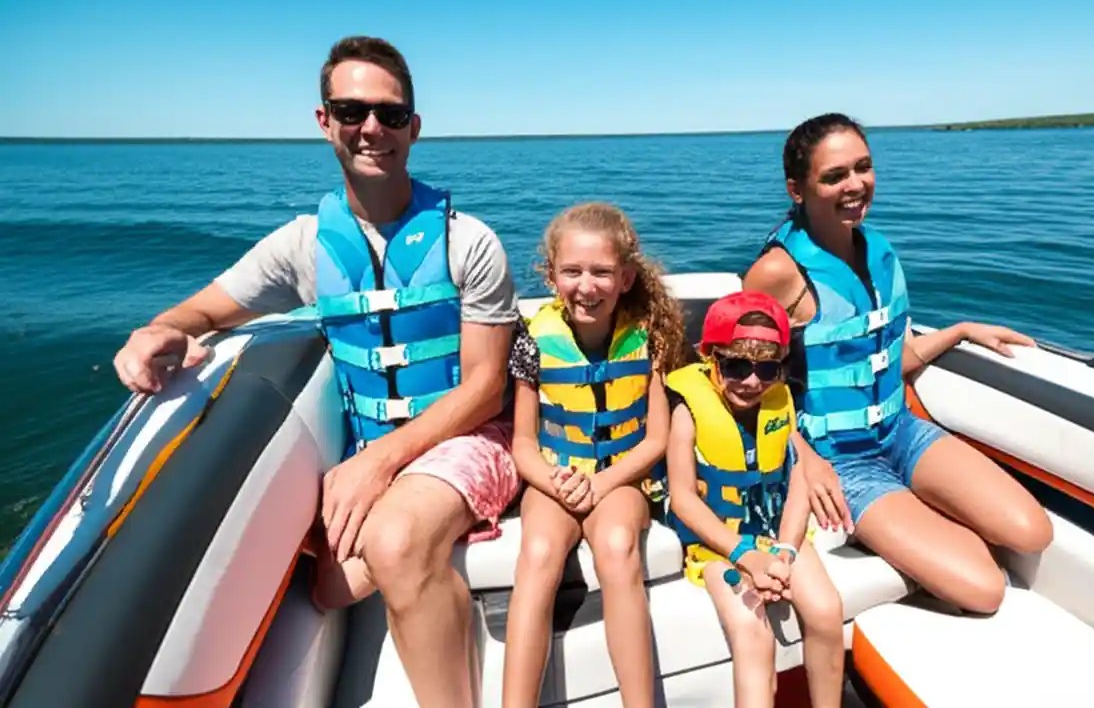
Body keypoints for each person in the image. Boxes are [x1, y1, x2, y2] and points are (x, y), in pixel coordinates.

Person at [111, 36, 520, 707]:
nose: (371, 129)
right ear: (324, 120)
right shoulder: (302, 244)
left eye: (390, 115)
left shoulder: (467, 241)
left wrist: (377, 464)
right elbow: (206, 308)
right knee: (328, 586)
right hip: (380, 447)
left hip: (473, 439)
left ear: (414, 128)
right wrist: (161, 332)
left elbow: (483, 389)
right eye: (352, 109)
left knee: (393, 541)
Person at [742, 112, 1054, 615]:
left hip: (899, 433)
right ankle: (894, 525)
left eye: (862, 168)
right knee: (985, 588)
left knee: (1031, 532)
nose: (855, 184)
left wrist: (959, 330)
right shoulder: (777, 272)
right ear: (797, 190)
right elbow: (733, 389)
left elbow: (890, 361)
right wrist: (805, 458)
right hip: (836, 462)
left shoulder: (880, 251)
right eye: (834, 175)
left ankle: (911, 521)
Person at [500, 202, 683, 707]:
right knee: (537, 555)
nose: (587, 285)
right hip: (554, 477)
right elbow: (521, 443)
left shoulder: (649, 339)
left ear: (625, 277)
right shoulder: (533, 340)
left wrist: (602, 484)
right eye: (573, 272)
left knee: (619, 546)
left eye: (602, 272)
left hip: (621, 479)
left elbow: (655, 440)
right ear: (551, 274)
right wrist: (556, 481)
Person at [666, 291, 845, 708]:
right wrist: (746, 555)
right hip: (716, 544)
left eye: (767, 369)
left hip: (774, 532)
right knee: (752, 633)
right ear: (710, 358)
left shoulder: (780, 400)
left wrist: (783, 550)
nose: (752, 382)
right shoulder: (686, 412)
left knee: (825, 611)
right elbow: (683, 499)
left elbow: (797, 472)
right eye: (735, 367)